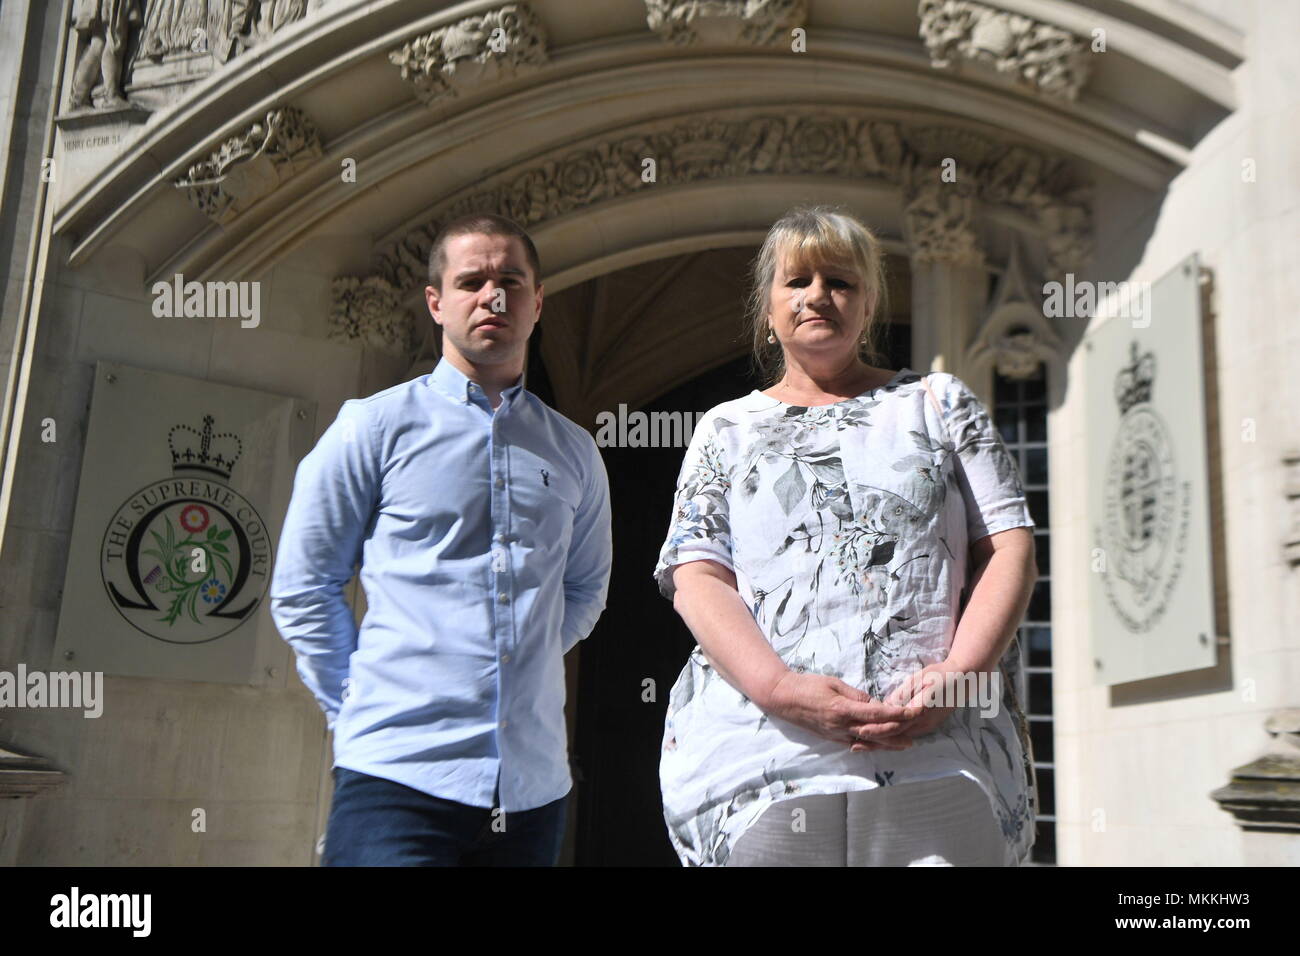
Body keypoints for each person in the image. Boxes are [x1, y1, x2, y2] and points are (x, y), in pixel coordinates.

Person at [653, 205, 1039, 866]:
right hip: (765, 762)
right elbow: (697, 574)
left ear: (867, 304)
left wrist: (958, 673)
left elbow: (1010, 546)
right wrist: (777, 686)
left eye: (841, 282)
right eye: (797, 281)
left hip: (938, 757)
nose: (818, 296)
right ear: (768, 309)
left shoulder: (940, 403)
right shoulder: (725, 428)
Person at [270, 213, 612, 866]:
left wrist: (513, 654)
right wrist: (363, 709)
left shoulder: (574, 454)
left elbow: (584, 589)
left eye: (512, 279)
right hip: (395, 781)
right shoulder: (370, 430)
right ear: (436, 301)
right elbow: (304, 586)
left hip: (531, 792)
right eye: (472, 280)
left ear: (537, 302)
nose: (494, 295)